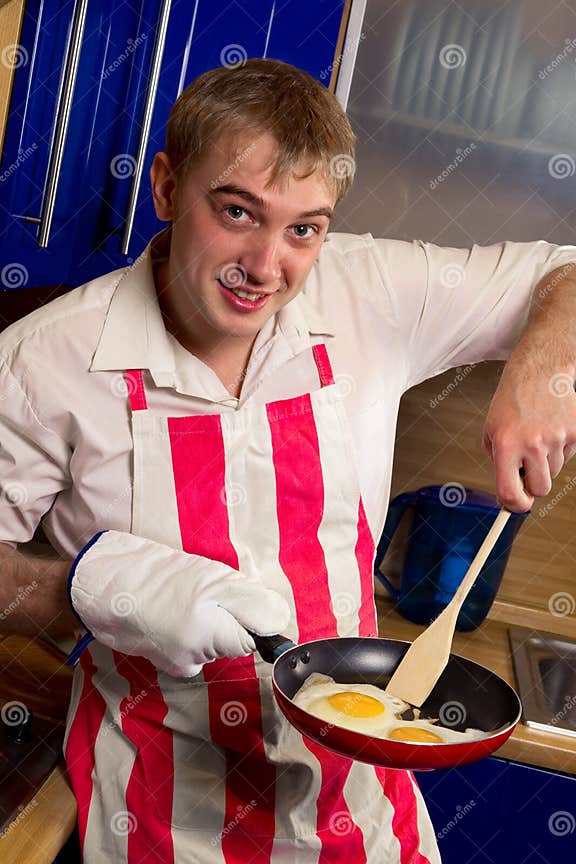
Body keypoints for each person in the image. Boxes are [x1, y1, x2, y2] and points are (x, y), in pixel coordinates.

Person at [0, 58, 575, 864]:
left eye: (305, 228)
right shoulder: (39, 364)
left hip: (365, 824)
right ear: (165, 188)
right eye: (238, 211)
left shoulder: (371, 289)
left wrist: (545, 371)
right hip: (160, 823)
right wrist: (88, 585)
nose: (267, 267)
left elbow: (566, 268)